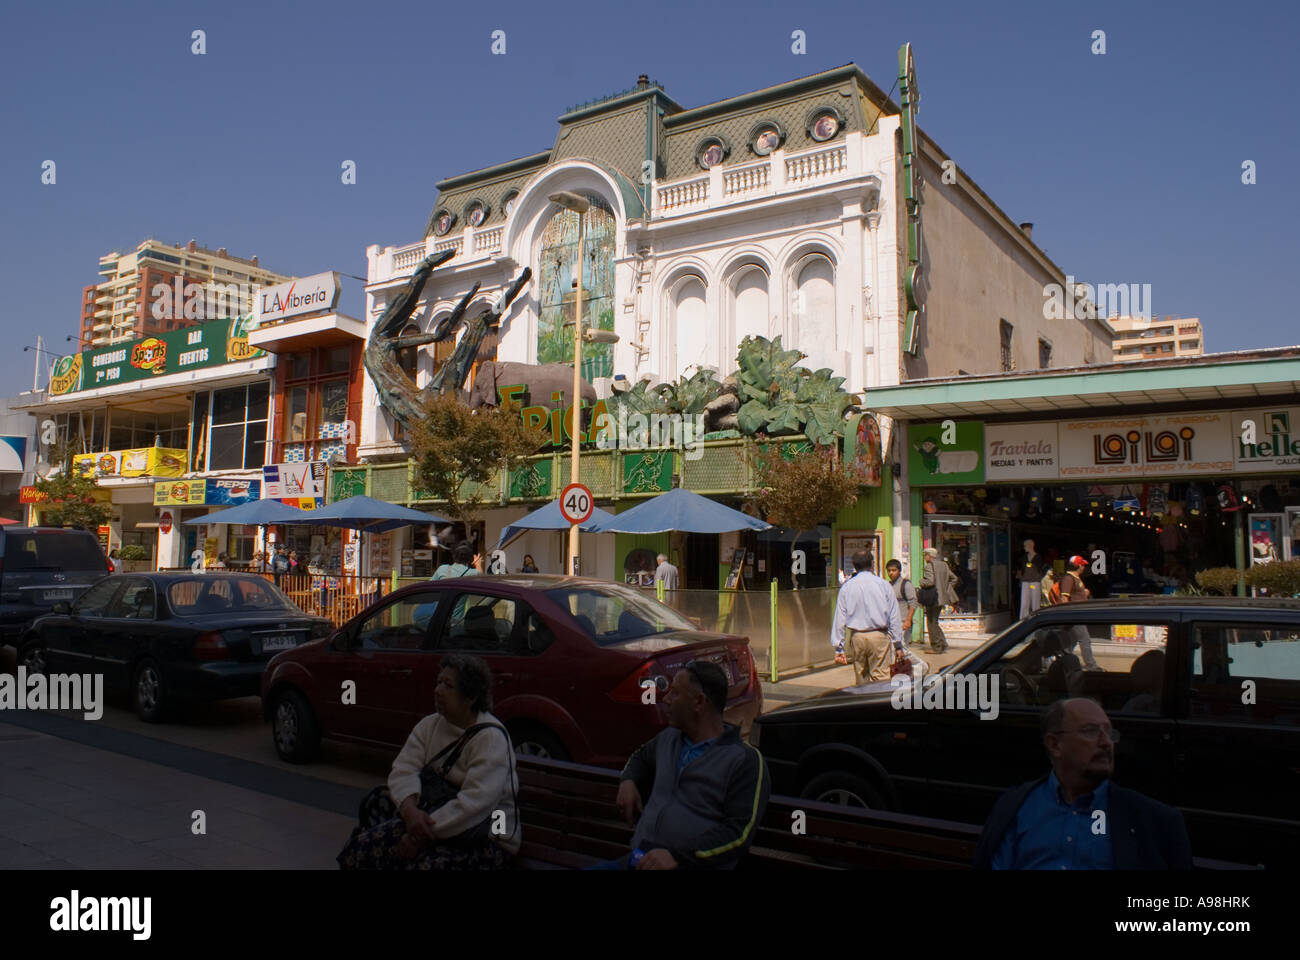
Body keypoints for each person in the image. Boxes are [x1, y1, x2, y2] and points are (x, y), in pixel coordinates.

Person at [338, 654, 519, 870]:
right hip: (425, 821)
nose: (438, 690)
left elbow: (474, 804)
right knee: (361, 849)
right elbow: (403, 770)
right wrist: (409, 811)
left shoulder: (491, 738)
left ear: (470, 697)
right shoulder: (430, 725)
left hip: (486, 836)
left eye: (448, 685)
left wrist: (416, 837)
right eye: (438, 682)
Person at [974, 698, 1191, 869]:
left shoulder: (1152, 820)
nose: (1106, 743)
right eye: (1091, 731)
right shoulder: (1016, 807)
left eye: (1109, 732)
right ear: (1055, 744)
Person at [599, 661, 770, 869]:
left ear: (699, 702)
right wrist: (628, 780)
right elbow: (640, 757)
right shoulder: (668, 739)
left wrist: (678, 856)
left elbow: (738, 834)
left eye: (675, 693)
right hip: (639, 861)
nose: (666, 699)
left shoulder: (744, 761)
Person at [830, 550, 904, 684]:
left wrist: (838, 647)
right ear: (872, 564)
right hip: (879, 637)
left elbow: (839, 618)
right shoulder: (884, 585)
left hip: (857, 637)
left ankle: (863, 702)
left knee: (861, 679)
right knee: (881, 679)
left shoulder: (847, 588)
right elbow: (894, 616)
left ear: (854, 565)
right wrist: (898, 644)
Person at [1059, 555, 1102, 671]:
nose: (1084, 567)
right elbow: (1064, 598)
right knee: (1085, 640)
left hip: (1078, 614)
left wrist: (1084, 593)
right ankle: (1091, 666)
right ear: (1077, 566)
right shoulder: (1069, 578)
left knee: (1071, 641)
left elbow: (1076, 594)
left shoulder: (1076, 578)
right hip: (1074, 614)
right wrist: (1068, 615)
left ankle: (1062, 662)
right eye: (1082, 565)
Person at [919, 547, 957, 654]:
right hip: (942, 598)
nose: (925, 557)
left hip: (933, 598)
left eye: (925, 555)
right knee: (935, 622)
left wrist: (921, 582)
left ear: (929, 555)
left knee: (931, 623)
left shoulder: (929, 566)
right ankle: (943, 643)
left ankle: (937, 646)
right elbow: (954, 578)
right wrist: (946, 589)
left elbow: (930, 582)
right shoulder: (944, 565)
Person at [884, 559, 919, 643]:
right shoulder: (887, 585)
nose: (891, 573)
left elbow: (913, 603)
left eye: (894, 570)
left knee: (903, 650)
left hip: (903, 623)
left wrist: (908, 620)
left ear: (899, 571)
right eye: (889, 570)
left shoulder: (906, 584)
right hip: (891, 624)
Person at [1017, 539, 1046, 619]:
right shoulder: (1024, 557)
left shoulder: (1038, 557)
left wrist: (1039, 577)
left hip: (1034, 583)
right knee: (1024, 601)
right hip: (1026, 582)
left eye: (1025, 546)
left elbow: (1041, 569)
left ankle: (1035, 618)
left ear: (1030, 546)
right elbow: (1021, 568)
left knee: (1035, 601)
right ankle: (1023, 619)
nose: (1024, 547)